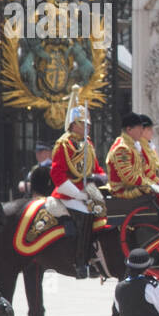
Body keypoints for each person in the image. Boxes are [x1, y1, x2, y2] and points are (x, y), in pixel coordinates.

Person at [50, 85, 106, 279]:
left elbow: (96, 169)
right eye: (84, 123)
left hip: (88, 189)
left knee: (107, 211)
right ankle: (81, 261)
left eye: (88, 124)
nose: (87, 127)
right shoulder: (64, 144)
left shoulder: (87, 144)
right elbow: (57, 175)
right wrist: (77, 194)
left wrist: (104, 182)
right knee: (86, 214)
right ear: (74, 124)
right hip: (69, 193)